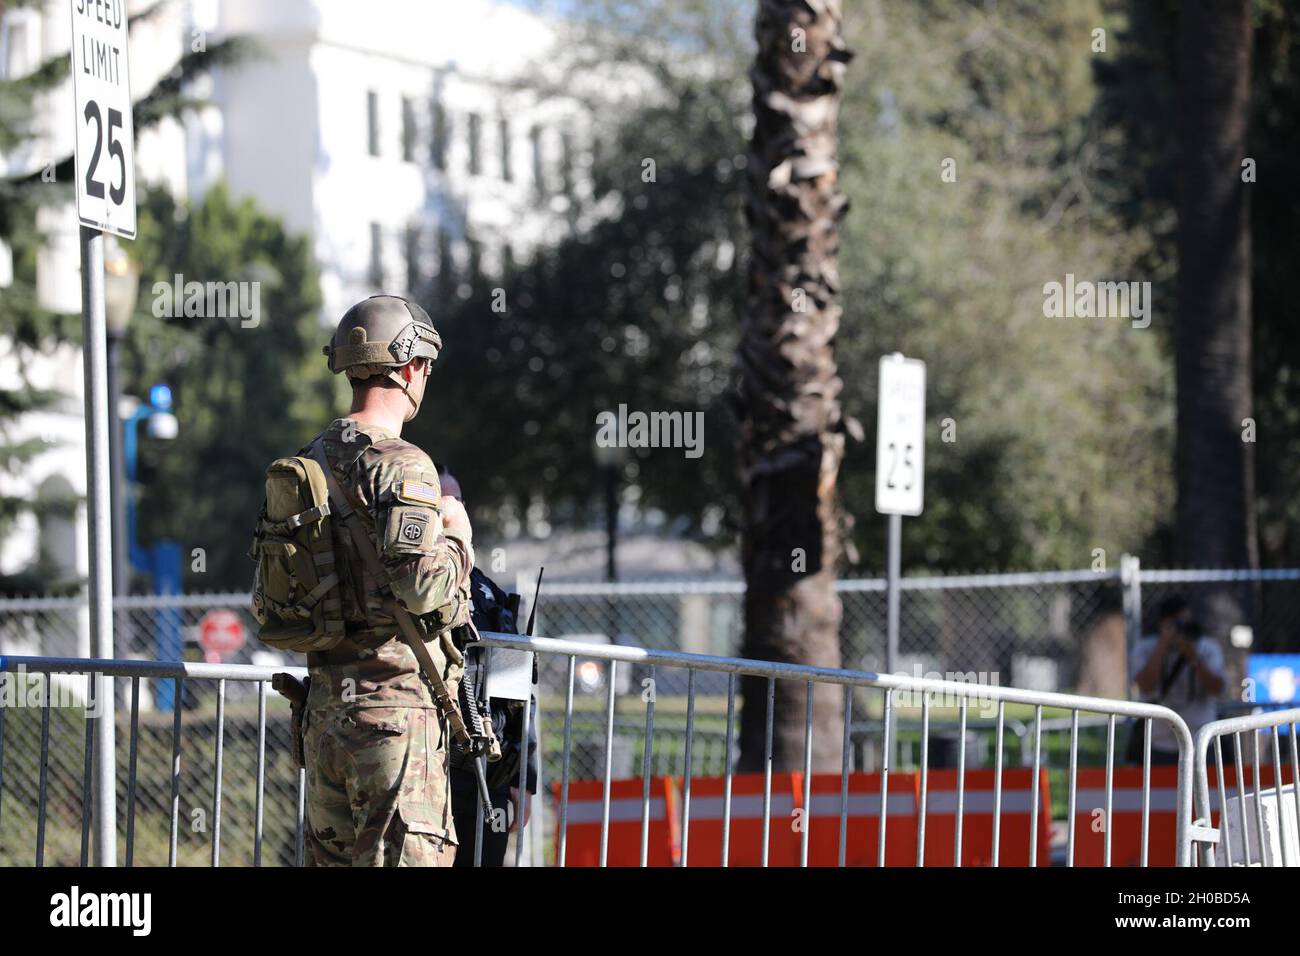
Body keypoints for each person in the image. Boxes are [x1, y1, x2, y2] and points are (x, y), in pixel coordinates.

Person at [297, 294, 475, 866]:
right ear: (409, 365)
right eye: (424, 366)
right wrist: (457, 538)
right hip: (393, 723)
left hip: (325, 718)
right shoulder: (402, 462)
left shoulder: (310, 461)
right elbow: (423, 587)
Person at [438, 465, 539, 867]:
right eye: (439, 498)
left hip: (485, 771)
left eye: (456, 499)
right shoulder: (391, 587)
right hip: (422, 768)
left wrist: (522, 780)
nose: (450, 508)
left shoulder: (487, 593)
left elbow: (516, 693)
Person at [1129, 594, 1226, 764]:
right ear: (1162, 625)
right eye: (1175, 624)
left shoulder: (1207, 648)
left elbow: (1216, 689)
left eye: (1185, 623)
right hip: (1159, 742)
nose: (1181, 629)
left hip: (1201, 741)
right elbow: (1145, 686)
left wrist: (1193, 657)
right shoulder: (1147, 648)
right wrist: (1162, 647)